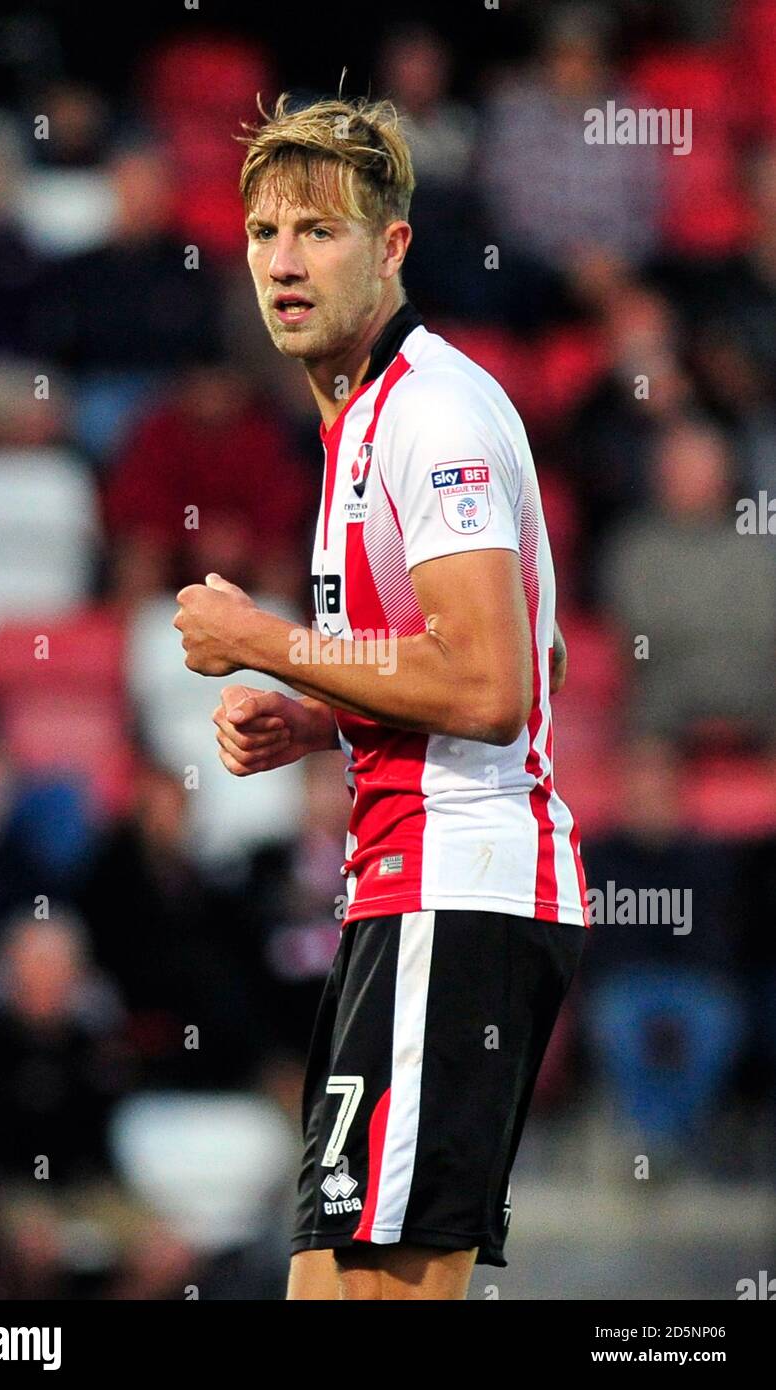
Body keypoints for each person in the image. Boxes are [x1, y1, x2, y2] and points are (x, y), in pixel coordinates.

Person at [172, 93, 589, 1301]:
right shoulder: (360, 417)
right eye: (261, 232)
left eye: (318, 230)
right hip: (401, 894)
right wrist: (318, 710)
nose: (282, 261)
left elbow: (496, 684)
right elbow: (537, 657)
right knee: (324, 1287)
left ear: (391, 245)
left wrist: (269, 640)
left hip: (451, 891)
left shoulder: (431, 414)